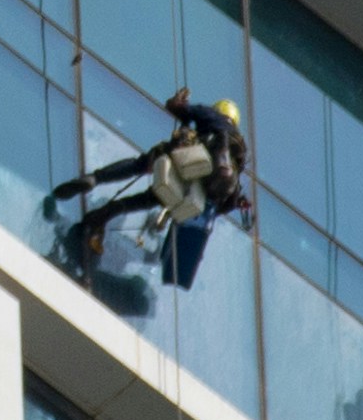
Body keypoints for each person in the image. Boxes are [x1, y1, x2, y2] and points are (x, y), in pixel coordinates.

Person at [47, 90, 252, 288]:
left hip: (186, 161)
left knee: (141, 164)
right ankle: (110, 212)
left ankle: (95, 179)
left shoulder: (211, 116)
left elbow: (175, 108)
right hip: (189, 188)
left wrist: (178, 101)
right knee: (154, 197)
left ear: (220, 110)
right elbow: (225, 204)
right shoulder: (238, 154)